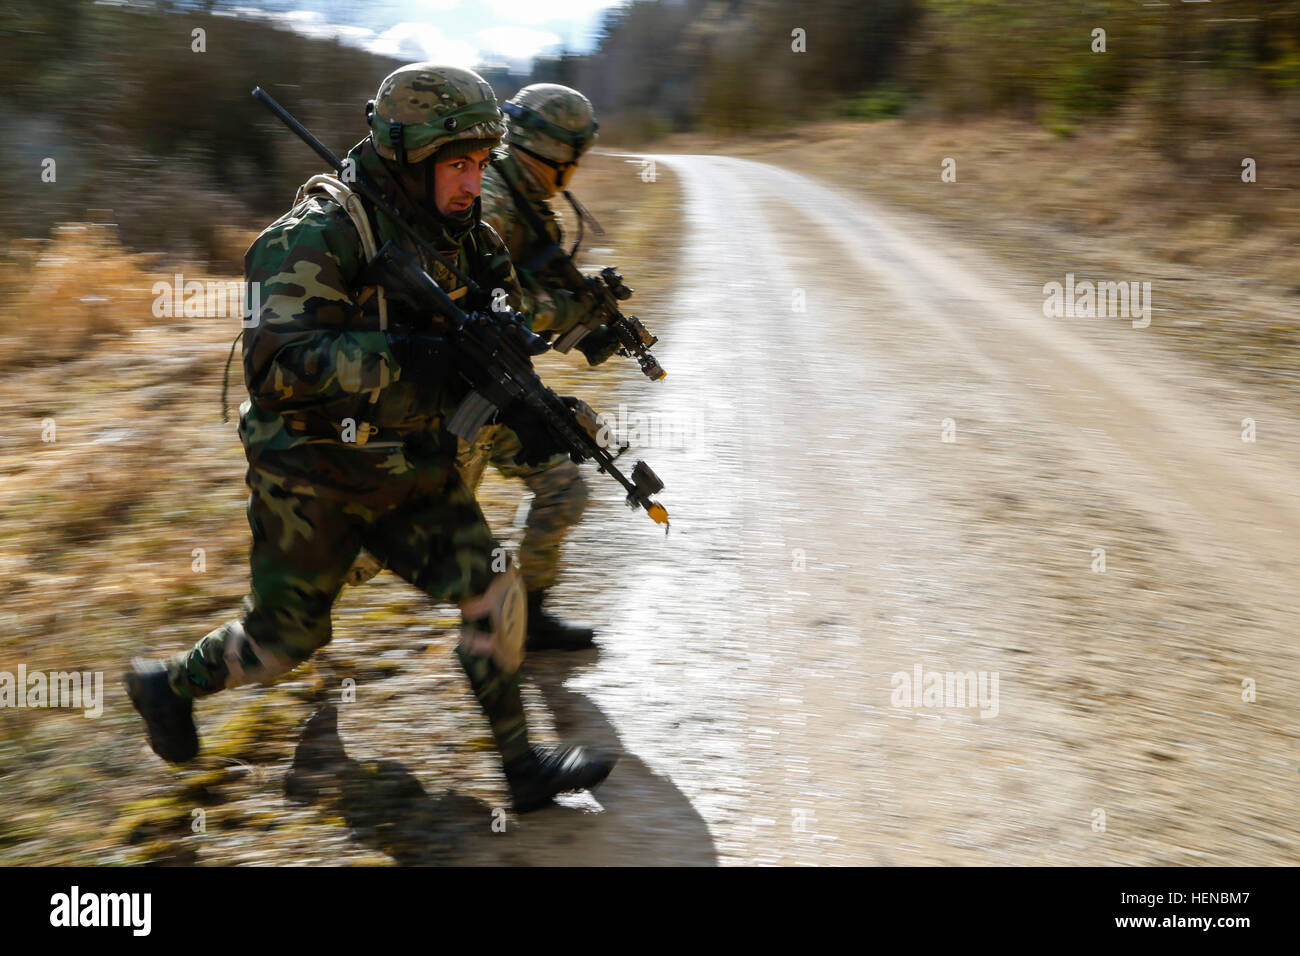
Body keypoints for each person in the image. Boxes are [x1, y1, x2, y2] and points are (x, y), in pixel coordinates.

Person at [124, 63, 615, 812]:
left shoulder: (471, 238)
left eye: (482, 164)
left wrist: (532, 408)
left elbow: (497, 340)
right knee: (285, 643)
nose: (471, 183)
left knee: (494, 590)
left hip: (411, 466)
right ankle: (168, 686)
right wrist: (404, 358)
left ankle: (522, 769)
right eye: (456, 164)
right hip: (310, 475)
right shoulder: (314, 236)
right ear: (406, 156)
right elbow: (277, 367)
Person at [348, 83, 614, 652]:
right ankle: (289, 597)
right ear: (556, 153)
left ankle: (531, 618)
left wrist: (582, 309)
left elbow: (512, 300)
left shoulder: (522, 202)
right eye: (573, 156)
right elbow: (488, 308)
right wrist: (570, 313)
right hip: (449, 403)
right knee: (375, 551)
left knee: (564, 489)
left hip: (494, 395)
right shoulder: (486, 199)